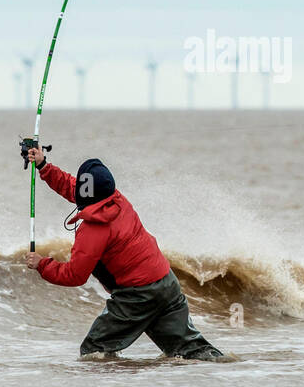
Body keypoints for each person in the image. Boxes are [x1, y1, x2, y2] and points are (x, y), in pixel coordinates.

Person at [22, 145, 224, 360]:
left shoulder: (92, 229)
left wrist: (42, 264)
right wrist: (44, 166)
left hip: (138, 296)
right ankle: (229, 371)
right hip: (166, 283)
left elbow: (75, 275)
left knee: (94, 351)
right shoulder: (116, 198)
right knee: (191, 351)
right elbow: (73, 186)